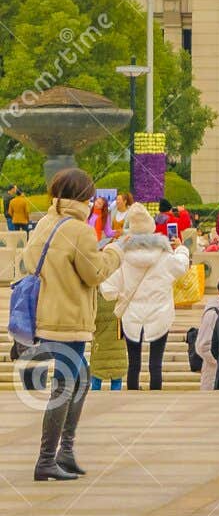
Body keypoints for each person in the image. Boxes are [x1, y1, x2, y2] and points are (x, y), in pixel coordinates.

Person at [20, 168, 124, 480]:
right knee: (65, 384)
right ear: (84, 197)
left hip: (47, 315)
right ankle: (47, 459)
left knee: (80, 378)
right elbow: (95, 273)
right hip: (69, 319)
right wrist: (115, 251)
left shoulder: (45, 223)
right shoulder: (80, 231)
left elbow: (29, 261)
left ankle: (64, 452)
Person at [100, 203, 190, 391]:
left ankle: (132, 397)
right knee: (156, 364)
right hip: (160, 313)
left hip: (132, 314)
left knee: (133, 364)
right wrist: (181, 249)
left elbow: (107, 288)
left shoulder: (123, 256)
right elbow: (181, 267)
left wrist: (121, 294)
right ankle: (155, 398)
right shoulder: (164, 254)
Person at [88, 290, 125, 391]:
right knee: (117, 378)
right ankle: (115, 399)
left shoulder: (95, 297)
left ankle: (95, 399)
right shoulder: (120, 296)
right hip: (117, 343)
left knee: (96, 378)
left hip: (99, 344)